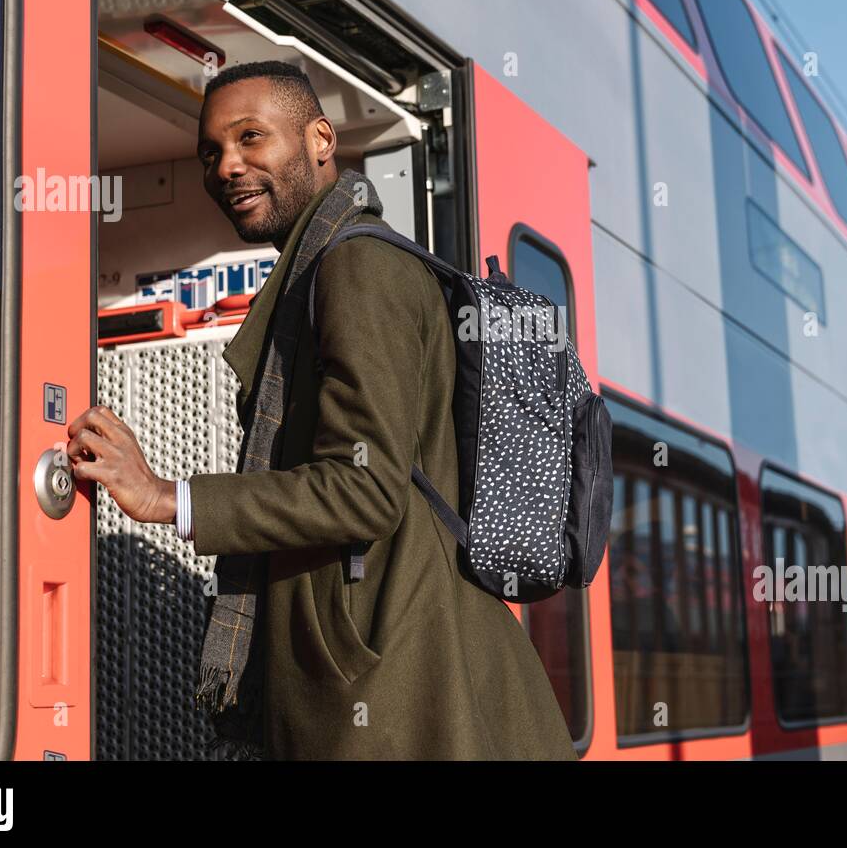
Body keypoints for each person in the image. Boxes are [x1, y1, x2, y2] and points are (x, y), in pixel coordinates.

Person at [66, 60, 578, 760]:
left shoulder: (357, 267)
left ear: (319, 139)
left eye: (252, 137)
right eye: (212, 153)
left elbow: (364, 489)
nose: (228, 166)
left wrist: (164, 497)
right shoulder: (326, 267)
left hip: (404, 702)